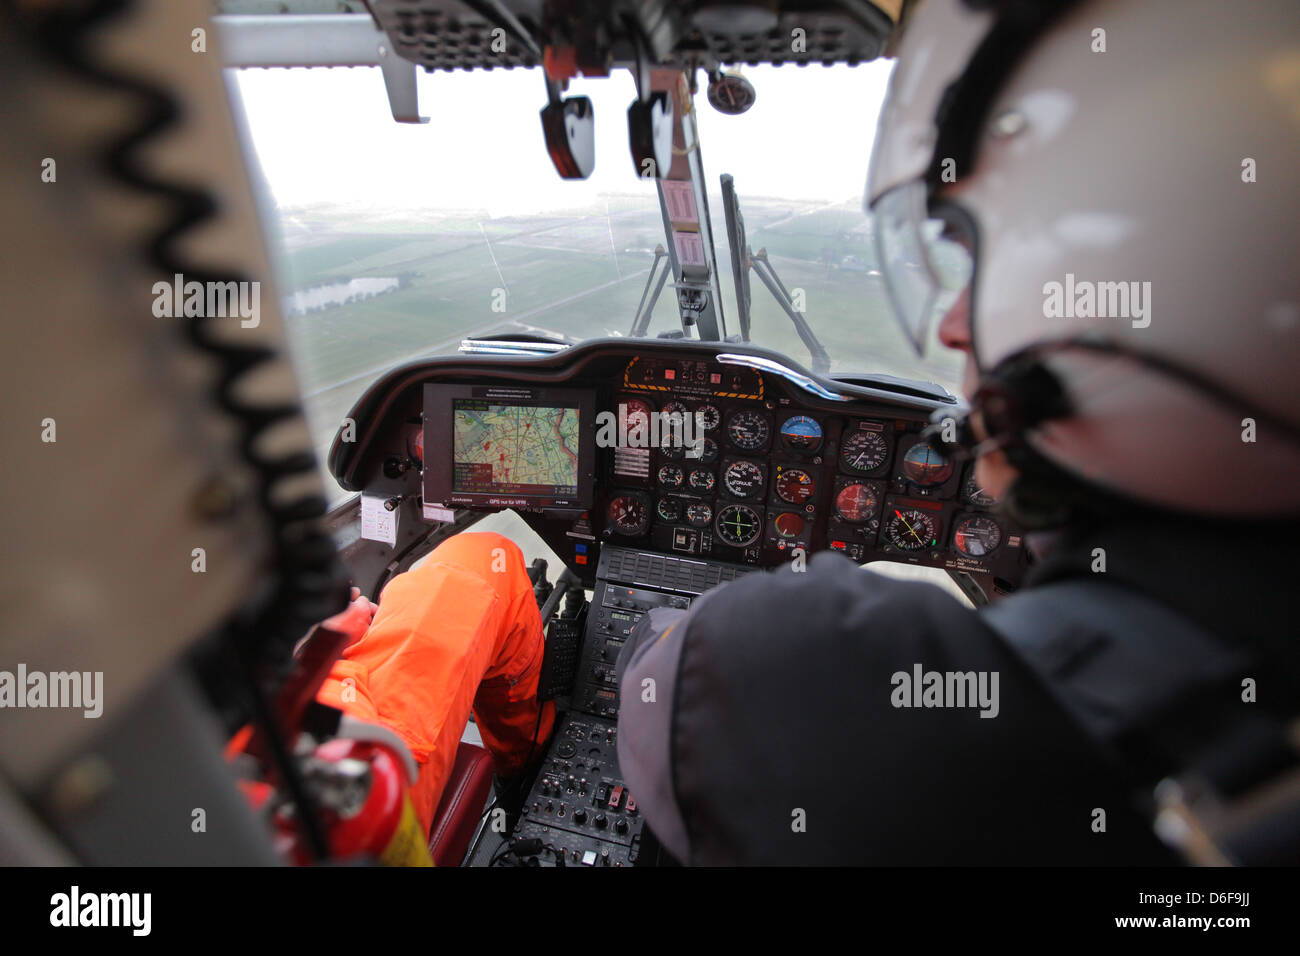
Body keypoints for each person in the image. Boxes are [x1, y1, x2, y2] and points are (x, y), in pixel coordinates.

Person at [614, 0, 1300, 864]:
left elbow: (663, 692)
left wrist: (654, 624)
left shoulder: (788, 669)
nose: (954, 331)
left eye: (976, 259)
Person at [314, 532, 555, 836]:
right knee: (491, 556)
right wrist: (320, 650)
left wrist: (313, 651)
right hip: (347, 784)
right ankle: (520, 766)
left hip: (280, 734)